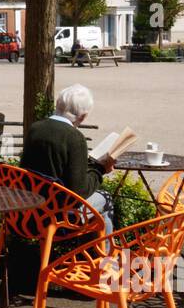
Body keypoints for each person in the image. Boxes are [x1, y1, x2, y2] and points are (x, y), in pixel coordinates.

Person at [20, 84, 115, 232]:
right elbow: (79, 192)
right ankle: (104, 252)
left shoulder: (35, 128)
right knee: (106, 198)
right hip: (56, 216)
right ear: (83, 117)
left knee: (102, 215)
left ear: (58, 104)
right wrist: (100, 169)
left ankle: (102, 251)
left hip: (27, 211)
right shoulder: (74, 137)